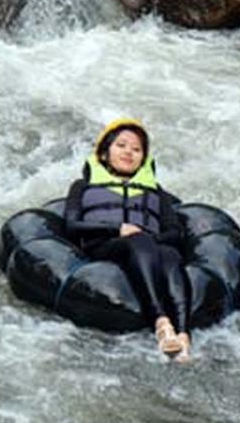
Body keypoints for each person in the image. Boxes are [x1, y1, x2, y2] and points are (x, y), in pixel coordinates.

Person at [64, 118, 193, 361]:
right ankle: (160, 322)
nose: (128, 153)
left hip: (148, 248)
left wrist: (149, 237)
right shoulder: (82, 186)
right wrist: (118, 228)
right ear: (104, 153)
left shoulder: (157, 193)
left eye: (136, 149)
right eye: (121, 145)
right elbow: (71, 225)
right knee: (139, 241)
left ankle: (183, 334)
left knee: (170, 255)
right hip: (105, 247)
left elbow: (174, 232)